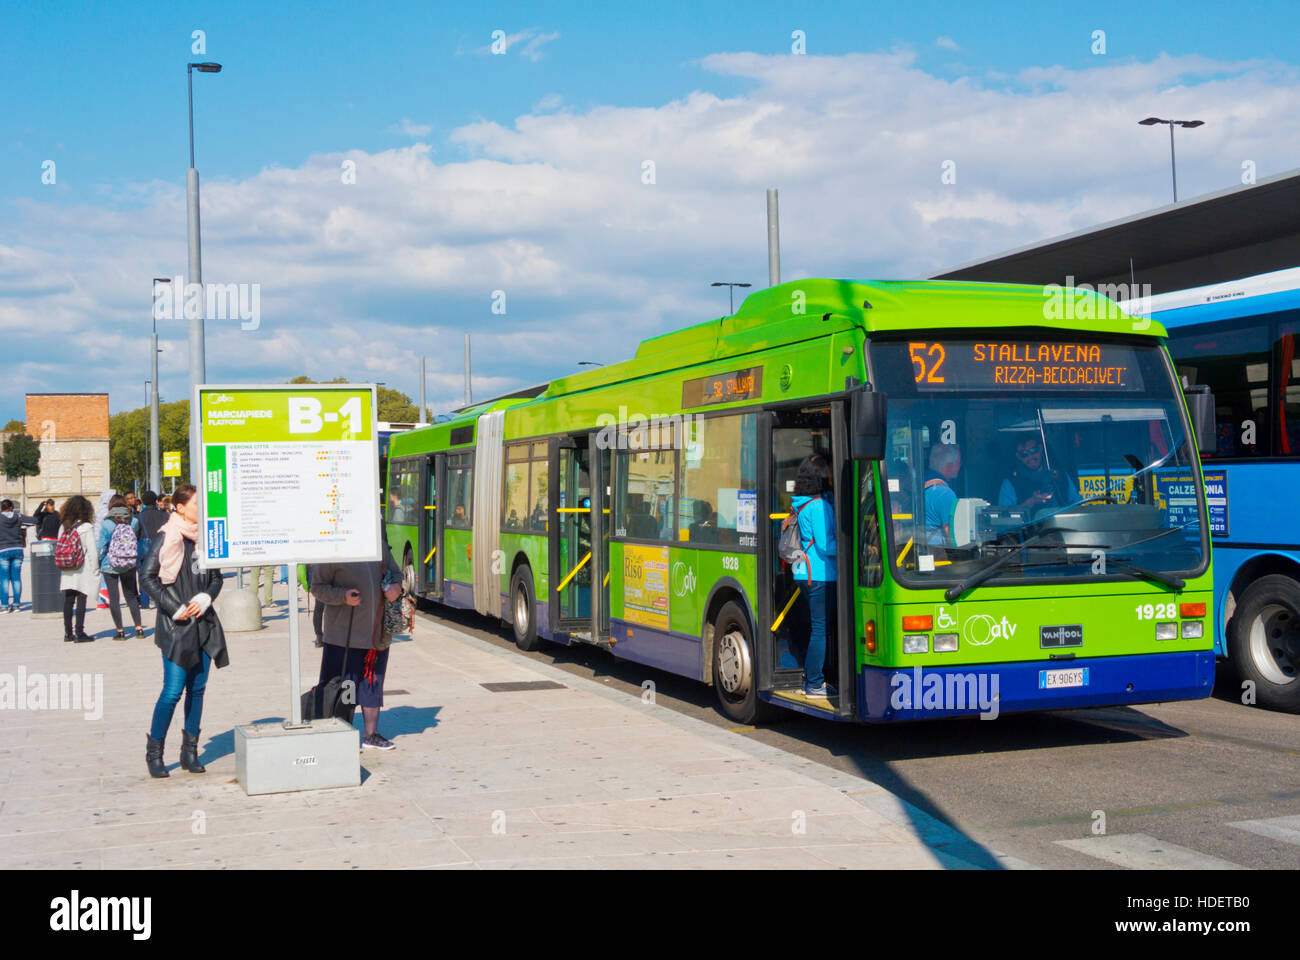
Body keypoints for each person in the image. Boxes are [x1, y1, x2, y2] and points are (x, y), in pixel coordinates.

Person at [139, 484, 228, 778]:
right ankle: (155, 753)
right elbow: (147, 578)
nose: (200, 509)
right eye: (195, 504)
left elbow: (216, 577)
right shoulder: (168, 536)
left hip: (203, 623)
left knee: (198, 689)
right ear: (179, 507)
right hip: (175, 627)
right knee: (173, 691)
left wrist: (207, 597)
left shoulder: (206, 539)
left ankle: (190, 751)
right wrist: (174, 607)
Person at [311, 539, 402, 750]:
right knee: (346, 687)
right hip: (344, 634)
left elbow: (397, 574)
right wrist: (342, 596)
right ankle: (344, 732)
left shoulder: (377, 545)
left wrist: (395, 587)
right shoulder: (332, 548)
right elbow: (317, 588)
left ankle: (372, 735)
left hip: (376, 634)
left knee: (373, 684)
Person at [788, 455, 838, 698]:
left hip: (804, 572)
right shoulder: (818, 506)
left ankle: (812, 678)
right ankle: (814, 683)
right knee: (821, 628)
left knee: (817, 627)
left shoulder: (801, 503)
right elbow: (826, 546)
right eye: (827, 472)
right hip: (819, 574)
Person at [98, 495, 144, 640]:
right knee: (130, 596)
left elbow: (101, 546)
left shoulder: (106, 523)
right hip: (129, 563)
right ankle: (139, 629)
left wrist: (99, 562)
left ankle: (120, 631)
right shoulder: (134, 521)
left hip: (110, 563)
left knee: (114, 599)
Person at [57, 495, 98, 641]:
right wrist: (96, 570)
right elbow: (92, 551)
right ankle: (79, 632)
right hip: (82, 567)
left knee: (68, 600)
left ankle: (68, 633)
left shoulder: (64, 526)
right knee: (82, 599)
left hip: (67, 567)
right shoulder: (86, 527)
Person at [998, 436, 1057, 511]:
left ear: (1040, 448)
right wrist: (1031, 502)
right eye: (1024, 454)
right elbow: (1004, 515)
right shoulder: (1010, 482)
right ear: (1018, 456)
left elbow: (1074, 504)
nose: (1030, 456)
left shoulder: (1058, 475)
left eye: (1033, 450)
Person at [0, 499, 38, 613]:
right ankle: (16, 604)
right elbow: (34, 520)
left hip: (3, 550)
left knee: (4, 579)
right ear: (11, 507)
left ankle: (4, 606)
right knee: (16, 578)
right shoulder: (18, 516)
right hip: (17, 549)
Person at [924, 443, 962, 547]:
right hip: (936, 555)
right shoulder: (945, 494)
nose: (960, 466)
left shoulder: (918, 485)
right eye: (959, 463)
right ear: (950, 466)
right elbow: (951, 536)